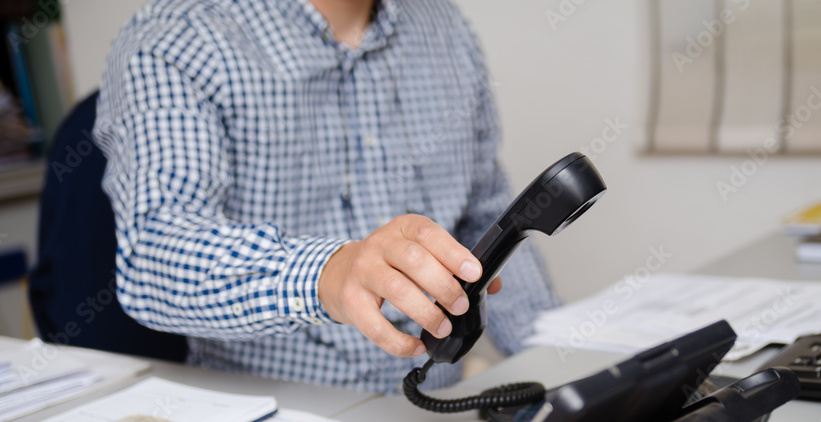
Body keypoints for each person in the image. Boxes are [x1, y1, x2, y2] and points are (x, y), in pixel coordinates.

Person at [94, 0, 560, 393]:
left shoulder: (443, 25)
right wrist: (325, 274)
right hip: (281, 417)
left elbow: (485, 215)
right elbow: (155, 256)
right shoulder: (175, 39)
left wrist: (562, 363)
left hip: (435, 410)